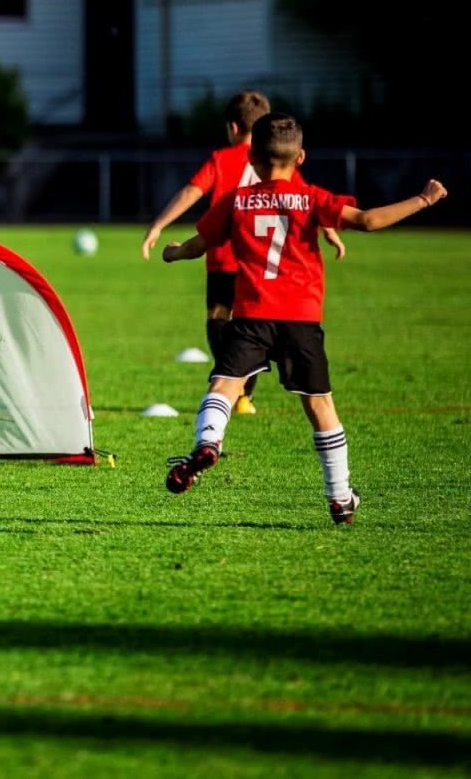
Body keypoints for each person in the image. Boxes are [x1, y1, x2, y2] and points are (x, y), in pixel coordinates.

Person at [160, 113, 448, 523]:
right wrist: (423, 199)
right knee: (319, 405)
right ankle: (340, 496)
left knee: (224, 385)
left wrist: (173, 252)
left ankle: (208, 443)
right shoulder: (312, 198)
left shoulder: (236, 201)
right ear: (300, 158)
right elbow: (367, 220)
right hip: (300, 319)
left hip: (252, 315)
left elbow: (197, 245)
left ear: (252, 159)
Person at [141, 90, 345, 416]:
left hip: (224, 258)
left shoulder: (222, 159)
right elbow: (304, 200)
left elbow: (192, 191)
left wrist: (159, 224)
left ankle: (231, 384)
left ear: (233, 127)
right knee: (251, 326)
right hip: (265, 264)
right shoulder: (282, 156)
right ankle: (244, 394)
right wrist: (330, 231)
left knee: (219, 321)